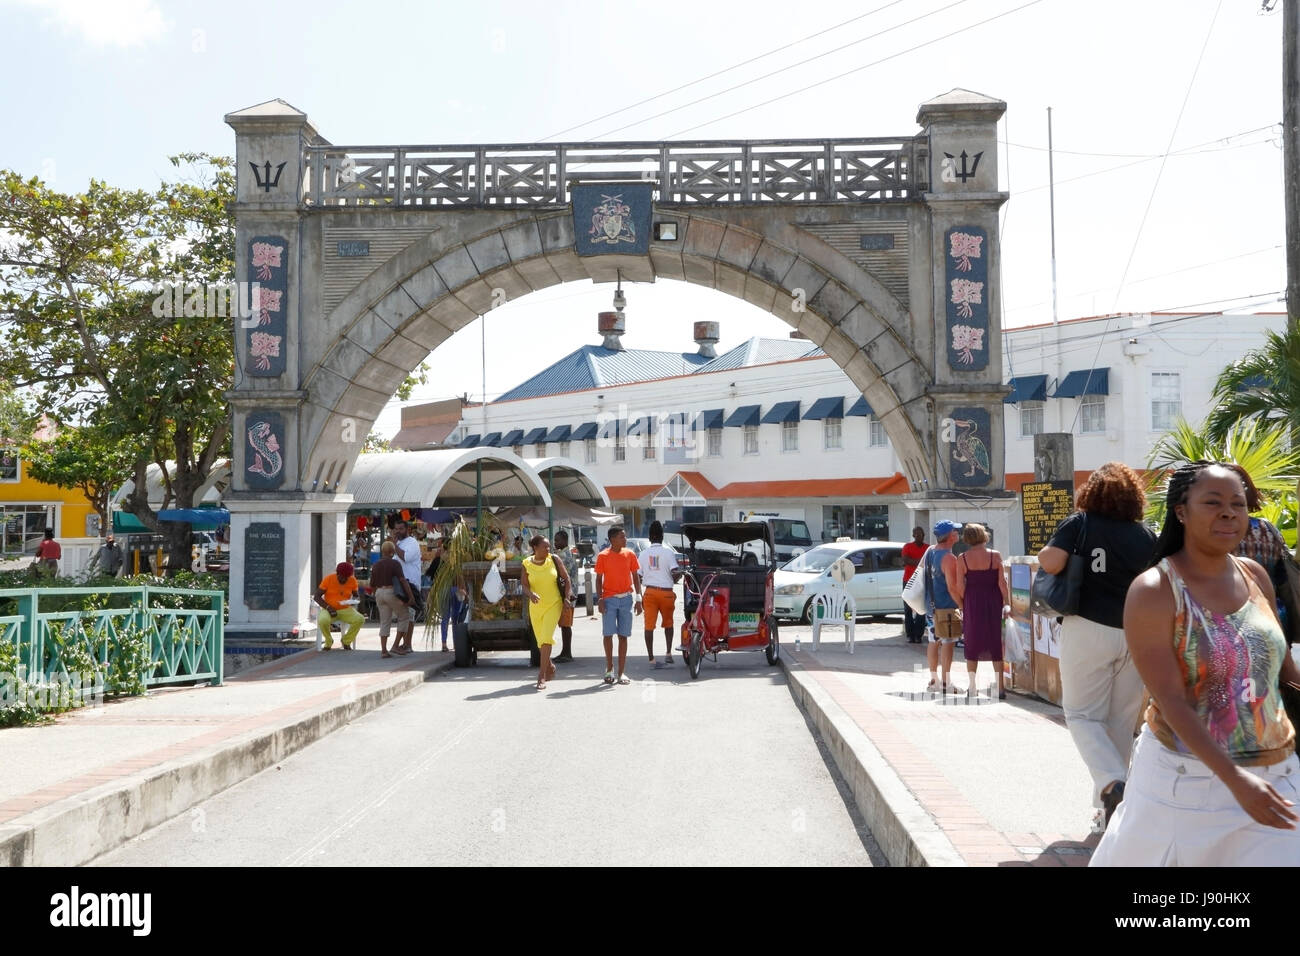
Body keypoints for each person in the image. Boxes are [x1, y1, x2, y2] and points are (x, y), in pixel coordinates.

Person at [1092, 461, 1300, 866]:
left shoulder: (1254, 575)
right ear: (1181, 512)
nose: (1229, 513)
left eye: (1238, 504)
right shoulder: (1154, 590)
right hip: (1186, 784)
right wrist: (1235, 779)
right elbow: (1172, 700)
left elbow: (1283, 673)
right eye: (1213, 502)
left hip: (1277, 777)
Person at [1038, 461, 1157, 832]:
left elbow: (1050, 562)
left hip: (1087, 626)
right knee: (1120, 722)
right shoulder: (1145, 535)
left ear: (1092, 492)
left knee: (1082, 715)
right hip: (1135, 633)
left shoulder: (1081, 523)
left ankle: (1111, 783)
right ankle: (1110, 813)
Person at [952, 523, 1011, 700]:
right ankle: (1000, 688)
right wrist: (1007, 604)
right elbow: (1002, 583)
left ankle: (972, 687)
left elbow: (959, 586)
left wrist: (965, 602)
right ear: (984, 536)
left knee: (972, 642)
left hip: (972, 602)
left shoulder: (962, 558)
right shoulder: (995, 556)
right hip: (993, 601)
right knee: (995, 642)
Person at [520, 534, 574, 690]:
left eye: (549, 546)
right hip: (536, 606)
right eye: (545, 546)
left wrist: (566, 597)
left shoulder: (554, 559)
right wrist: (531, 594)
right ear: (535, 548)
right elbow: (524, 585)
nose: (549, 549)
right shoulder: (526, 564)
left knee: (546, 638)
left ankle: (541, 676)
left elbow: (567, 578)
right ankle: (549, 665)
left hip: (554, 604)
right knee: (540, 642)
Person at [595, 526, 642, 685]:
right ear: (612, 539)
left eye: (625, 536)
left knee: (623, 635)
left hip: (626, 599)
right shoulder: (603, 556)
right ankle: (609, 669)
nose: (625, 539)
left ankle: (621, 673)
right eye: (622, 537)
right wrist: (600, 599)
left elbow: (635, 577)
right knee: (608, 635)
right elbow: (598, 579)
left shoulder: (630, 554)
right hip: (609, 599)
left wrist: (639, 599)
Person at [922, 520, 963, 694]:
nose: (958, 533)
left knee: (933, 641)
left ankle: (934, 680)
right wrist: (962, 605)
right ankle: (946, 683)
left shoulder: (931, 551)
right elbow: (952, 587)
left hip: (931, 606)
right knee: (948, 643)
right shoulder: (949, 558)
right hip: (946, 607)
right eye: (956, 531)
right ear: (950, 536)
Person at [640, 520, 683, 667]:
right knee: (668, 624)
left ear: (650, 537)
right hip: (666, 593)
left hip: (650, 593)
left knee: (648, 626)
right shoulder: (669, 553)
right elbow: (675, 573)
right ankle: (668, 654)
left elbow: (638, 576)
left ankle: (651, 658)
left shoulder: (643, 554)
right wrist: (679, 574)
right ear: (662, 536)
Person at [368, 541, 412, 658]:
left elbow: (372, 584)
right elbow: (403, 580)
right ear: (392, 552)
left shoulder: (376, 565)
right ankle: (396, 645)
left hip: (379, 593)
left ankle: (384, 650)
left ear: (382, 551)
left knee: (384, 621)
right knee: (404, 616)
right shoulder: (395, 564)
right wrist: (411, 597)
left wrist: (375, 594)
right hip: (390, 591)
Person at [315, 561, 363, 651]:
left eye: (347, 577)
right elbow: (317, 597)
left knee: (360, 619)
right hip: (328, 608)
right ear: (337, 573)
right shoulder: (329, 579)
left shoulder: (352, 580)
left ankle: (346, 641)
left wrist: (354, 600)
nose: (344, 579)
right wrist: (328, 608)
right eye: (342, 577)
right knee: (323, 620)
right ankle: (329, 640)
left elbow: (356, 595)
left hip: (345, 609)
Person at [392, 520, 424, 654]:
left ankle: (407, 644)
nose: (398, 531)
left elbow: (405, 557)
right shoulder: (399, 544)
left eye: (401, 529)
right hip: (401, 584)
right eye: (396, 529)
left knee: (409, 616)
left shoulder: (412, 543)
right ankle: (404, 644)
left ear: (407, 529)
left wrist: (394, 545)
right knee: (403, 615)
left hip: (411, 584)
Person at [552, 530, 580, 663]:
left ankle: (567, 653)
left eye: (557, 540)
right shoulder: (564, 553)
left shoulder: (564, 556)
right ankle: (565, 652)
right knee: (565, 625)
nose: (555, 543)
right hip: (568, 595)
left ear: (564, 541)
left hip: (568, 596)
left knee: (565, 625)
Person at [901, 527, 929, 643]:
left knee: (921, 609)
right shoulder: (907, 547)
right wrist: (921, 561)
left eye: (920, 534)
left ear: (924, 535)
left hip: (922, 581)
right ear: (913, 535)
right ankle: (910, 634)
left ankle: (918, 635)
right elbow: (906, 560)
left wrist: (915, 561)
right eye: (916, 535)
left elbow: (913, 561)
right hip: (908, 580)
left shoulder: (927, 548)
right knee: (907, 609)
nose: (918, 536)